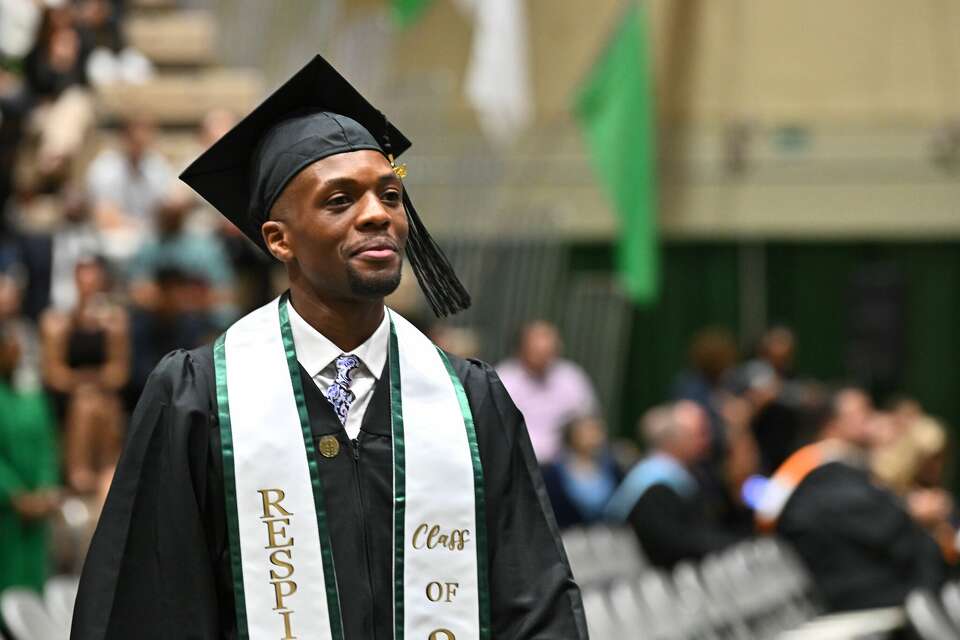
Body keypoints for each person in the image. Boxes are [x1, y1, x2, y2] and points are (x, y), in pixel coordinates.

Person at [72, 56, 586, 639]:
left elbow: (536, 602)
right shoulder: (201, 401)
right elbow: (152, 605)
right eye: (339, 200)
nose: (377, 215)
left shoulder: (468, 401)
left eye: (389, 195)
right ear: (279, 239)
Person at [756, 387, 946, 612]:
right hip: (865, 602)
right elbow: (893, 533)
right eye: (863, 413)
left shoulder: (834, 473)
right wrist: (915, 515)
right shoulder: (825, 476)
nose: (874, 419)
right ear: (832, 424)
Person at [606, 401, 743, 569]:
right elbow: (670, 542)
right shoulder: (653, 484)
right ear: (675, 439)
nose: (706, 442)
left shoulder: (687, 474)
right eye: (700, 434)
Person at [40, 255, 128, 495]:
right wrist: (83, 383)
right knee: (86, 405)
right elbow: (53, 372)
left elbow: (119, 372)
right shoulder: (58, 321)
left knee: (102, 406)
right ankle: (79, 473)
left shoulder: (114, 321)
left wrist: (90, 382)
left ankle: (106, 474)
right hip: (67, 397)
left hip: (101, 394)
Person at [0, 323, 61, 593]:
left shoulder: (33, 396)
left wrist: (46, 489)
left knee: (32, 586)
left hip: (36, 507)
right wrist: (14, 494)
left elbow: (48, 446)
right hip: (7, 509)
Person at [496, 320, 598, 463]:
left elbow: (588, 421)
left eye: (549, 349)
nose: (543, 354)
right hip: (514, 460)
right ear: (521, 349)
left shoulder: (571, 378)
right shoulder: (504, 378)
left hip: (563, 465)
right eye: (537, 349)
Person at [542, 415, 621, 529]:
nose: (595, 437)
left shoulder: (613, 468)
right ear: (572, 436)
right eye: (588, 431)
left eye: (597, 431)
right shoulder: (552, 473)